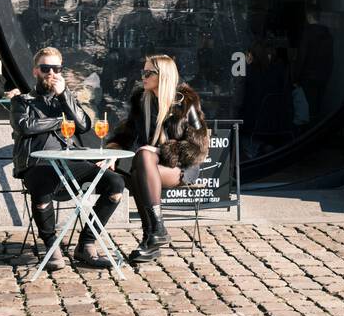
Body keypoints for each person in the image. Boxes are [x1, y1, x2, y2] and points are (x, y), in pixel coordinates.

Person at [11, 47, 122, 271]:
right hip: (37, 164)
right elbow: (25, 126)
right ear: (35, 71)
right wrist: (59, 121)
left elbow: (83, 125)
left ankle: (87, 243)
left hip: (70, 164)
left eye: (56, 68)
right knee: (42, 184)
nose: (50, 73)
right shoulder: (23, 101)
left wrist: (64, 96)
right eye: (45, 68)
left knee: (116, 184)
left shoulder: (65, 99)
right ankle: (52, 247)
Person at [108, 55, 210, 264]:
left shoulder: (187, 102)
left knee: (144, 157)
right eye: (142, 72)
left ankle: (155, 232)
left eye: (148, 73)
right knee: (129, 169)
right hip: (150, 168)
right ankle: (152, 238)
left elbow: (198, 147)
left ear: (162, 76)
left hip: (180, 167)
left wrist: (159, 151)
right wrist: (113, 150)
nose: (143, 77)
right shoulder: (141, 99)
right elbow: (127, 133)